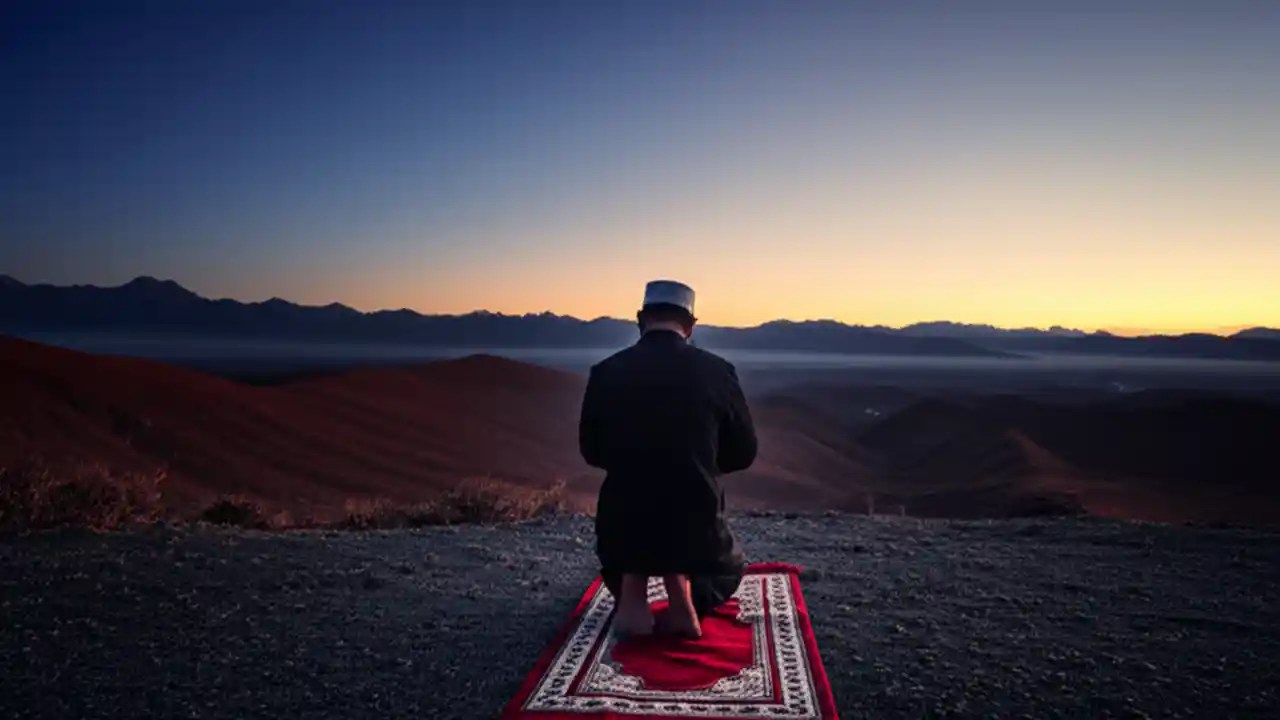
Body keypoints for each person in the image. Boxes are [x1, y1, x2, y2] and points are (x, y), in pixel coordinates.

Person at [578, 280, 758, 639]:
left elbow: (591, 451)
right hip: (697, 535)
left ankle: (632, 597)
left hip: (623, 532)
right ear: (690, 325)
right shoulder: (719, 371)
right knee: (722, 566)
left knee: (633, 508)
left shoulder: (606, 371)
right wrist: (698, 462)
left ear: (640, 320)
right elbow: (743, 452)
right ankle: (682, 596)